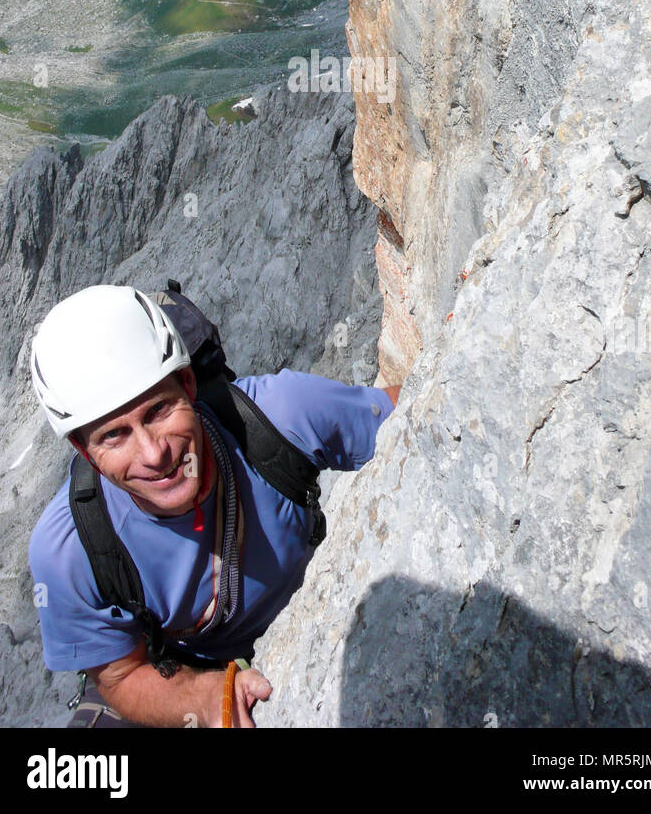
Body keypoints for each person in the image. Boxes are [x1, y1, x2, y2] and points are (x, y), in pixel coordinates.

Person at [29, 284, 399, 728]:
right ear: (84, 450)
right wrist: (198, 697)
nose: (154, 454)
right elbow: (121, 674)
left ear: (187, 384)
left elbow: (420, 407)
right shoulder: (71, 547)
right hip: (175, 666)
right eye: (115, 435)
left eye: (158, 410)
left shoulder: (279, 417)